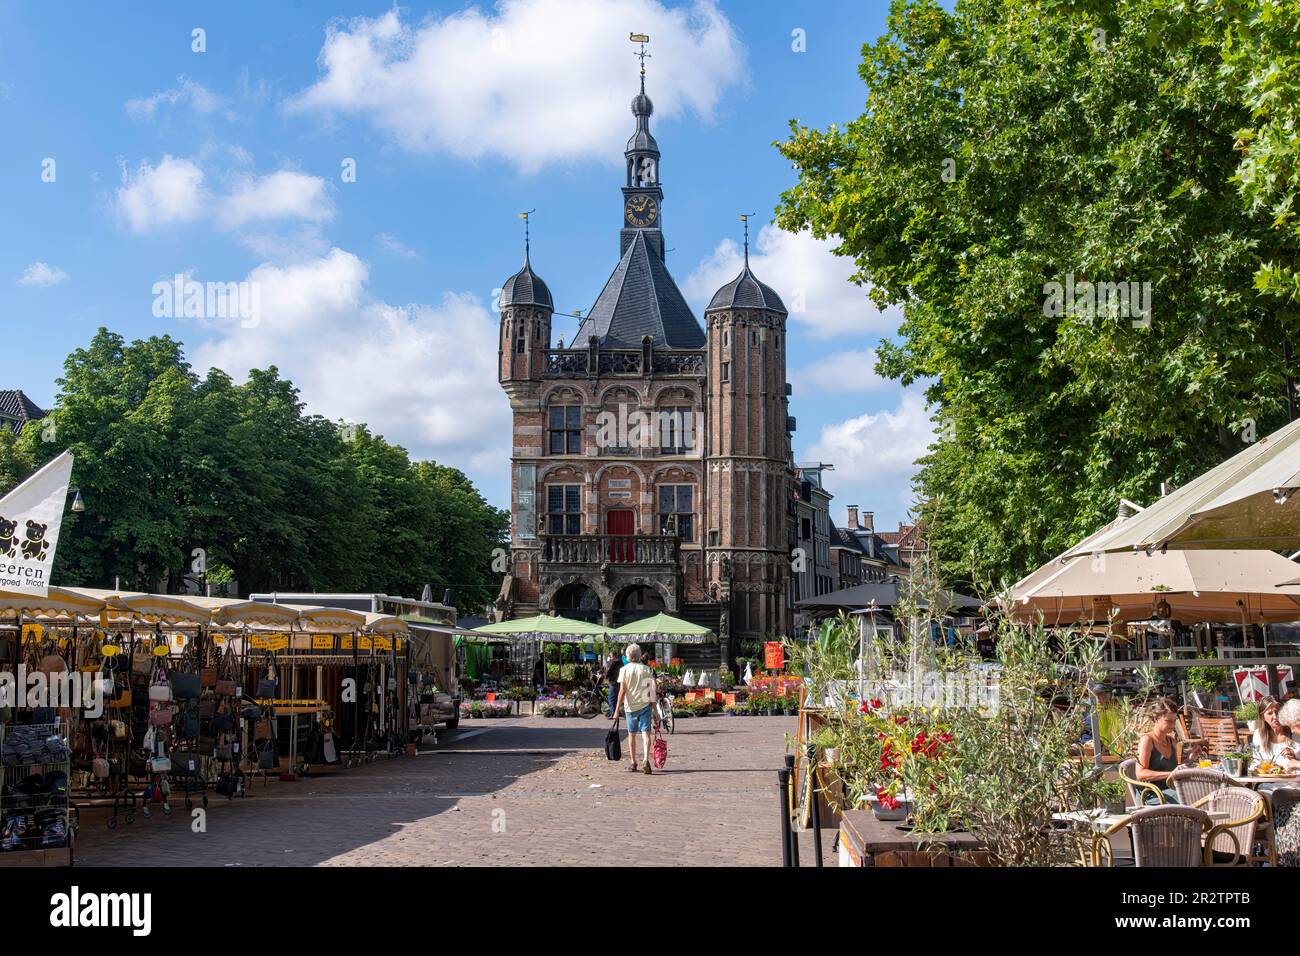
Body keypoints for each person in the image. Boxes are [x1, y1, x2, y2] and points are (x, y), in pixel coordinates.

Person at [613, 643, 657, 774]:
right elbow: (651, 691)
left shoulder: (624, 670)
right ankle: (645, 759)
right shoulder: (646, 669)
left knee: (631, 735)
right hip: (645, 704)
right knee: (646, 734)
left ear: (628, 656)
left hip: (630, 706)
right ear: (639, 655)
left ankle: (633, 762)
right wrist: (655, 710)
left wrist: (616, 710)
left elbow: (622, 691)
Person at [1134, 697, 1184, 804]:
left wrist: (1191, 759)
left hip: (1169, 792)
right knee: (1187, 797)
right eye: (1168, 721)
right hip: (1151, 796)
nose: (1172, 725)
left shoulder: (1171, 741)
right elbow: (1141, 774)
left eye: (1174, 721)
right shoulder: (1147, 740)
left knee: (1198, 793)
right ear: (1155, 719)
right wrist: (1171, 774)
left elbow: (1179, 766)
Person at [603, 651, 621, 718]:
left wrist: (605, 676)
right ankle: (616, 712)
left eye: (610, 656)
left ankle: (612, 714)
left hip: (613, 682)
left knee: (611, 699)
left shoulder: (613, 663)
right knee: (616, 699)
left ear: (612, 656)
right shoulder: (620, 662)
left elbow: (609, 672)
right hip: (619, 682)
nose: (610, 657)